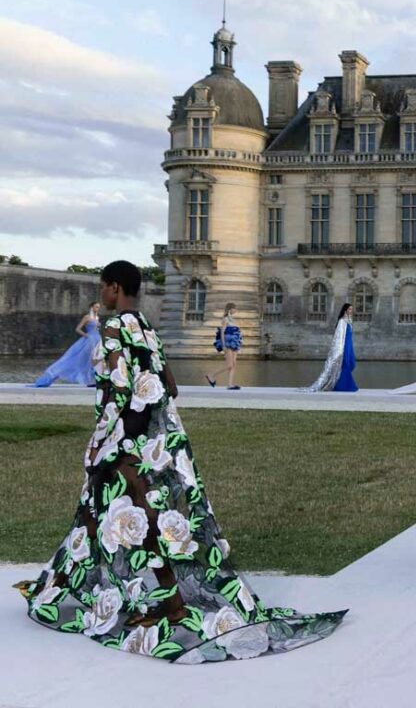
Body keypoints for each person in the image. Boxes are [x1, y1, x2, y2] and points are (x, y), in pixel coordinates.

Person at [13, 260, 345, 662]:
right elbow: (168, 386)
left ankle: (168, 604)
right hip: (156, 440)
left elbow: (117, 392)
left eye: (103, 287)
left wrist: (101, 444)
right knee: (95, 510)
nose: (100, 293)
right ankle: (61, 587)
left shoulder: (115, 328)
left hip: (124, 440)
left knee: (130, 516)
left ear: (115, 289)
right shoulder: (148, 329)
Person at [32, 302, 102, 387]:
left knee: (96, 360)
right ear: (91, 307)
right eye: (96, 307)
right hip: (89, 341)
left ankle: (92, 380)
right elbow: (78, 329)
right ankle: (51, 375)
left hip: (97, 340)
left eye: (98, 307)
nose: (98, 309)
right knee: (79, 359)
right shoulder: (87, 317)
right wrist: (87, 335)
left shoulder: (97, 318)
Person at [301, 304, 357, 392]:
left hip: (349, 346)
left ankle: (342, 385)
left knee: (350, 363)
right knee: (345, 364)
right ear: (345, 310)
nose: (351, 311)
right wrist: (339, 350)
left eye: (351, 309)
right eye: (349, 309)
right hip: (344, 346)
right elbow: (338, 337)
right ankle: (344, 386)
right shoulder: (342, 321)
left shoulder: (349, 321)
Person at [205, 303, 242, 390]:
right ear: (230, 309)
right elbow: (222, 332)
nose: (236, 310)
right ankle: (211, 375)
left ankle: (230, 384)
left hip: (235, 343)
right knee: (229, 365)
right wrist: (224, 345)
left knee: (234, 364)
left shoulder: (233, 319)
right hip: (228, 343)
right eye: (234, 309)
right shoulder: (225, 319)